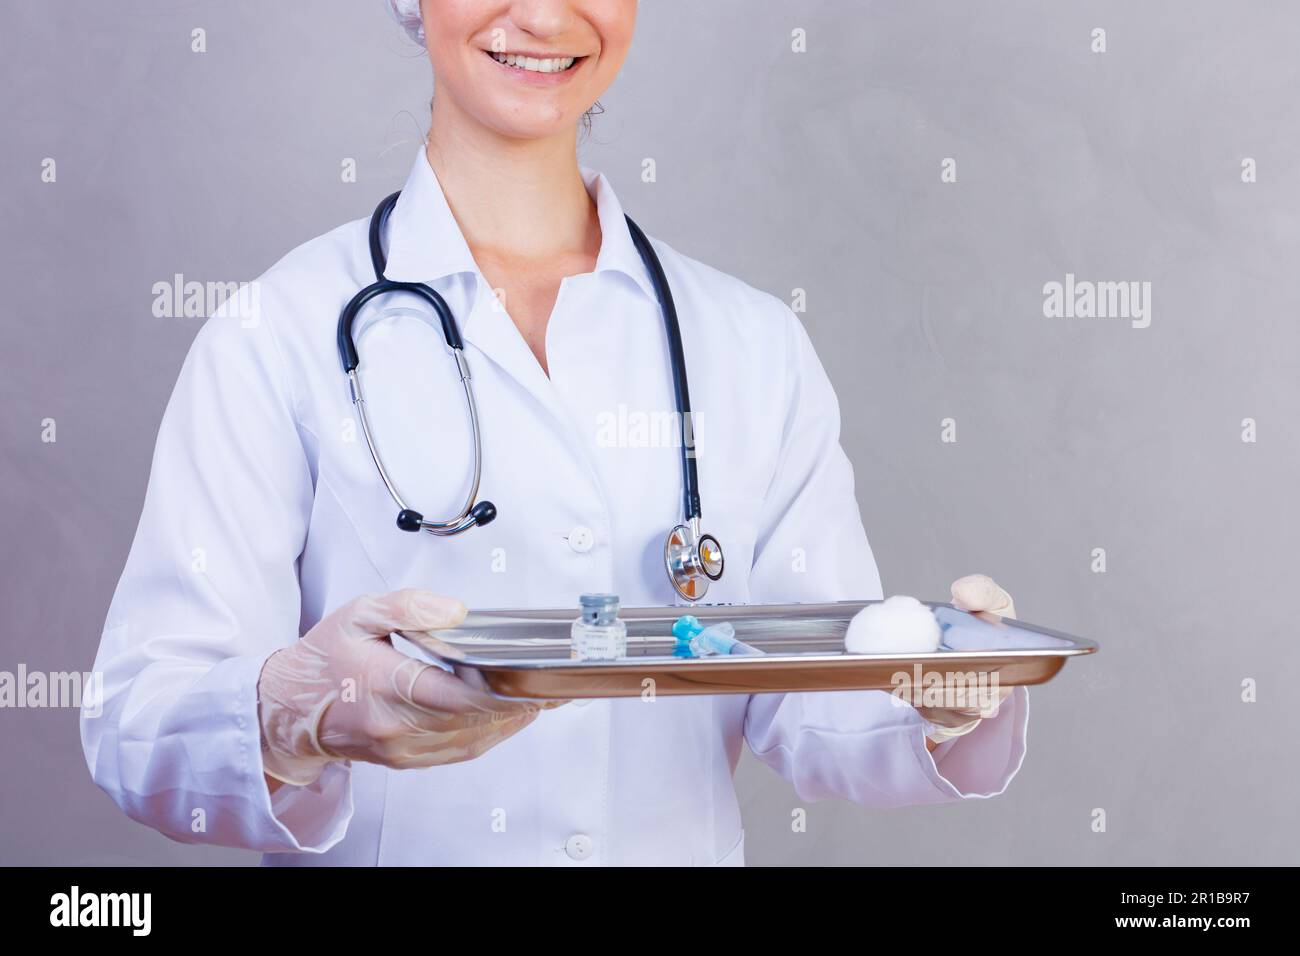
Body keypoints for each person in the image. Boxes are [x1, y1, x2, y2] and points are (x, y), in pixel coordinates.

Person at [81, 0, 1027, 866]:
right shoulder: (275, 332)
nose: (540, 14)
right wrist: (294, 714)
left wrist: (935, 699)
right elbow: (139, 720)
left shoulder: (750, 341)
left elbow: (807, 698)